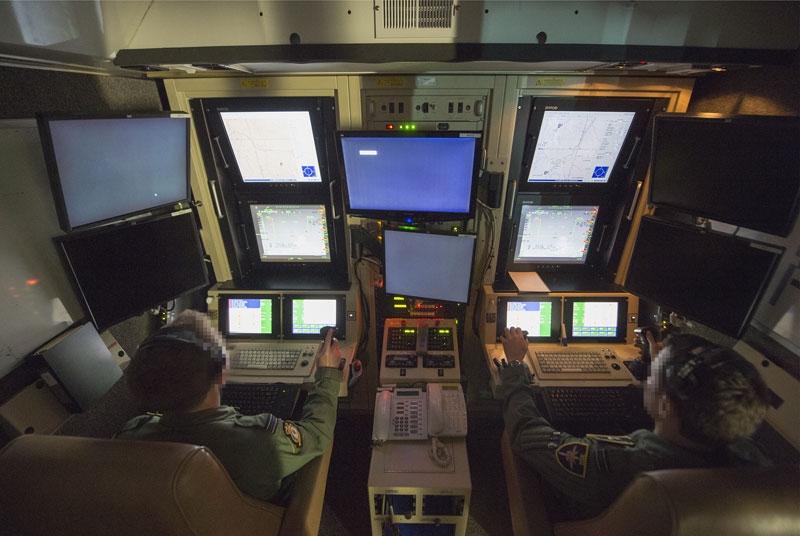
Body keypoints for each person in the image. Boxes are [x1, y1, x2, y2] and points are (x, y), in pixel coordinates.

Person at [497, 326, 771, 520]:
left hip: (576, 519)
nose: (646, 379)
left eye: (652, 376)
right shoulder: (753, 464)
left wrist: (514, 369)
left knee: (512, 440)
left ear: (665, 405)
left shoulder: (617, 463)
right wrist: (660, 364)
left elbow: (526, 433)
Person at [116, 310, 342, 505]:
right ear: (221, 374)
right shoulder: (261, 440)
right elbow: (317, 433)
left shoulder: (131, 435)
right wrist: (327, 373)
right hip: (263, 517)